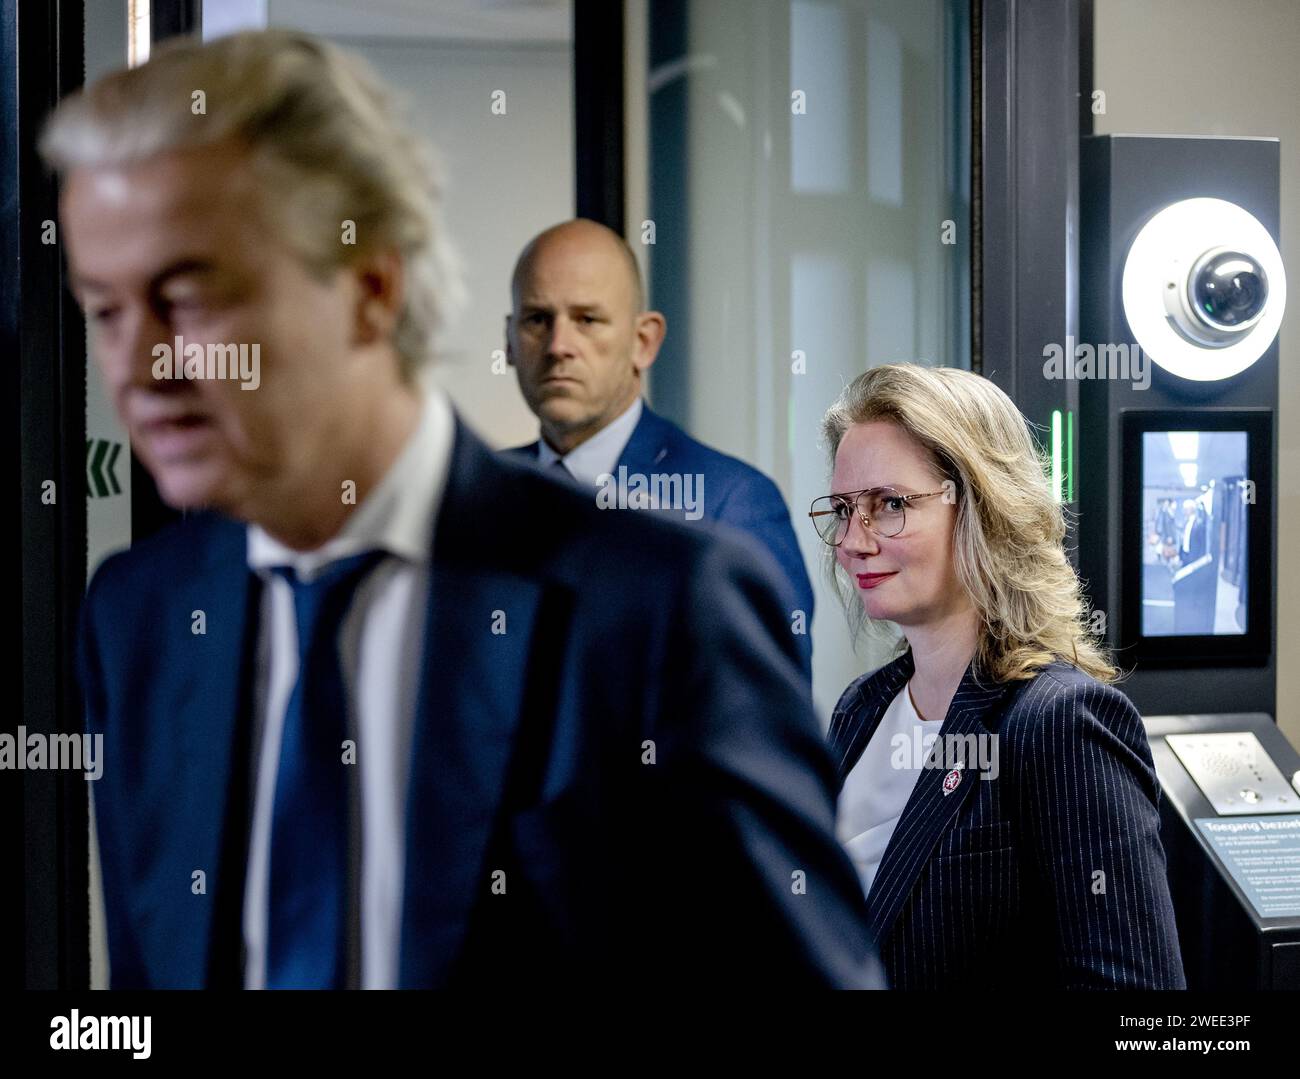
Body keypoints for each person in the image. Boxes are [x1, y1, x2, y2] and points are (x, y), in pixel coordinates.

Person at [49, 29, 881, 989]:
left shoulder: (660, 608)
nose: (139, 368)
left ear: (369, 289)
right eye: (106, 311)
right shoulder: (139, 617)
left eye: (188, 298)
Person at [811, 363, 1185, 989]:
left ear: (982, 506)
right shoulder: (862, 707)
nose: (855, 539)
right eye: (846, 509)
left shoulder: (1059, 721)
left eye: (891, 505)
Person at [503, 219, 815, 677]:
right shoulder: (477, 498)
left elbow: (764, 725)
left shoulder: (729, 505)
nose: (558, 345)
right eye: (537, 319)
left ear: (643, 341)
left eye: (587, 319)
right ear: (508, 341)